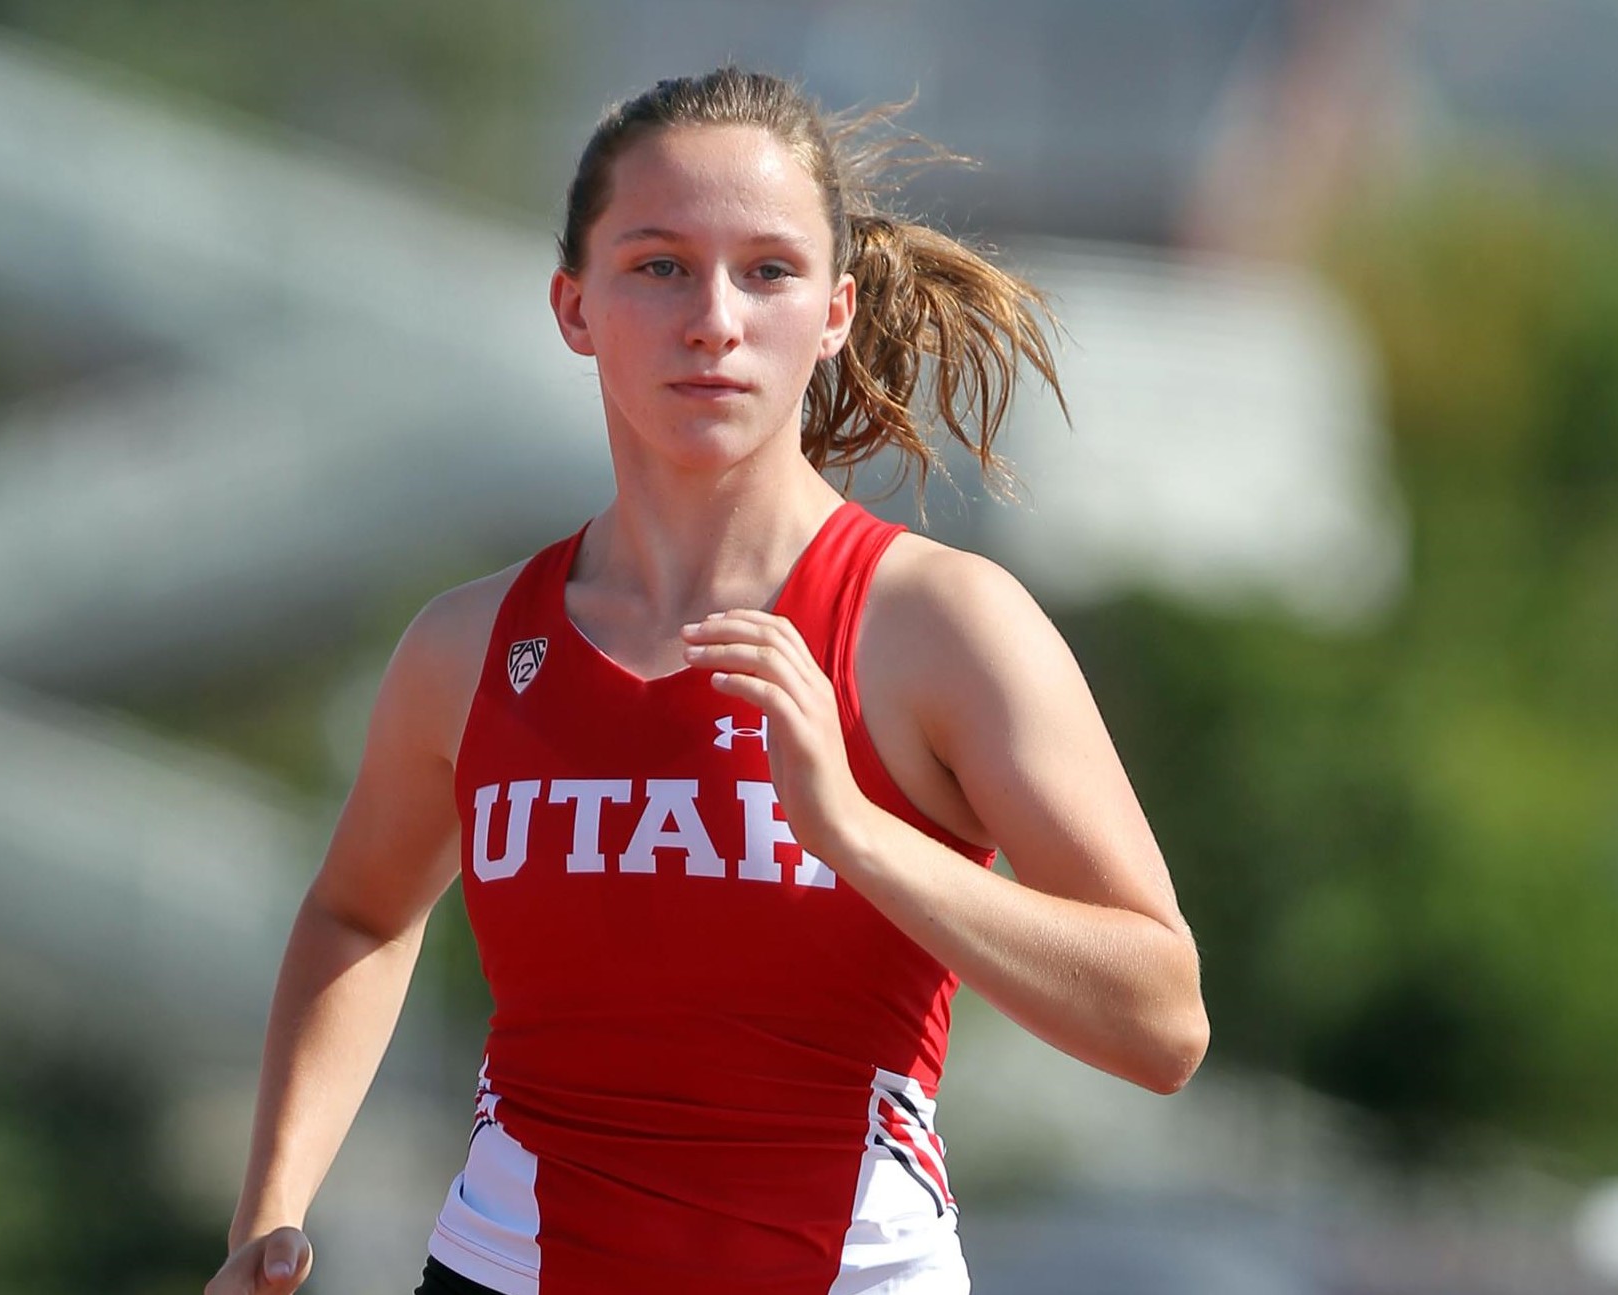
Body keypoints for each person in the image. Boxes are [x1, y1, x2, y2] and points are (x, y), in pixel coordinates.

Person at [206, 66, 1207, 1295]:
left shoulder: (935, 625)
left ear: (835, 309)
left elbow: (1161, 1019)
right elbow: (360, 911)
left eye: (769, 271)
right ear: (575, 306)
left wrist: (856, 832)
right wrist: (269, 1212)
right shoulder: (468, 646)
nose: (715, 318)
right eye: (660, 265)